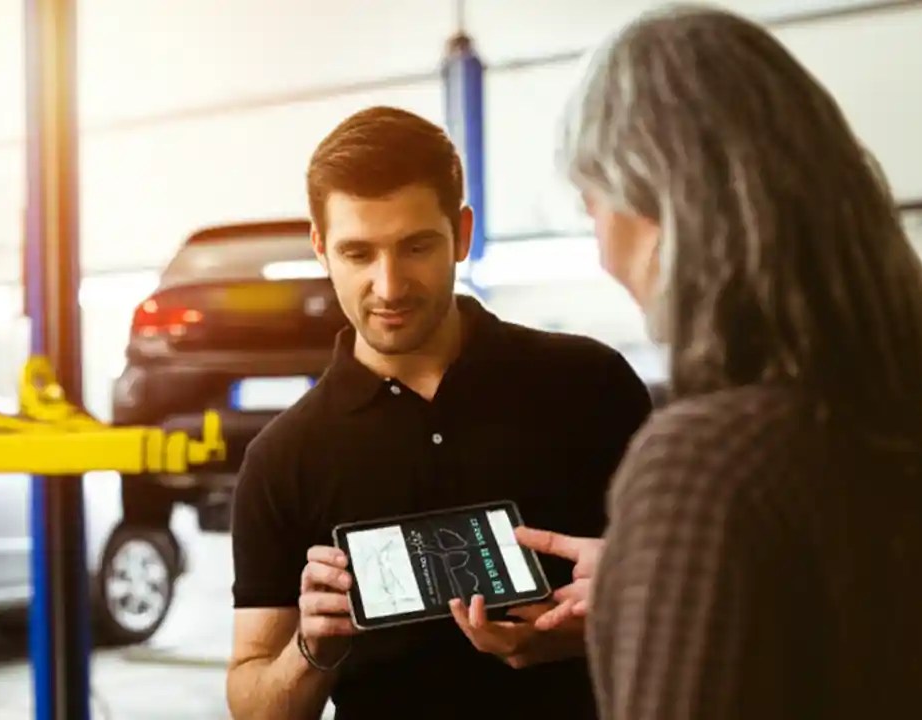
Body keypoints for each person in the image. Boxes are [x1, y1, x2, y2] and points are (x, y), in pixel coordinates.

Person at [515, 5, 922, 718]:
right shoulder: (898, 416)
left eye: (592, 206)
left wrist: (679, 530)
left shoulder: (705, 463)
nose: (601, 250)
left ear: (648, 198)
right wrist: (657, 573)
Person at [224, 106, 652, 719]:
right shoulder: (283, 458)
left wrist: (598, 625)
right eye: (358, 253)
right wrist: (310, 646)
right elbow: (256, 707)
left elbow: (710, 609)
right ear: (320, 248)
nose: (390, 285)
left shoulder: (592, 385)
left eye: (416, 246)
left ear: (462, 232)